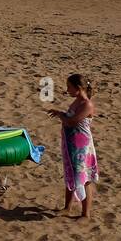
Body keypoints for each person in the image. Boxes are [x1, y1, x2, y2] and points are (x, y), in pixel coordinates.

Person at [47, 73, 98, 218]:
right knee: (71, 173)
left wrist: (60, 116)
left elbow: (72, 121)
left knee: (84, 177)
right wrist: (60, 112)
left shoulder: (86, 104)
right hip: (70, 143)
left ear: (79, 88)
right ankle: (67, 207)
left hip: (81, 145)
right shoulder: (76, 101)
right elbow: (69, 117)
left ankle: (85, 214)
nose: (67, 90)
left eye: (69, 87)